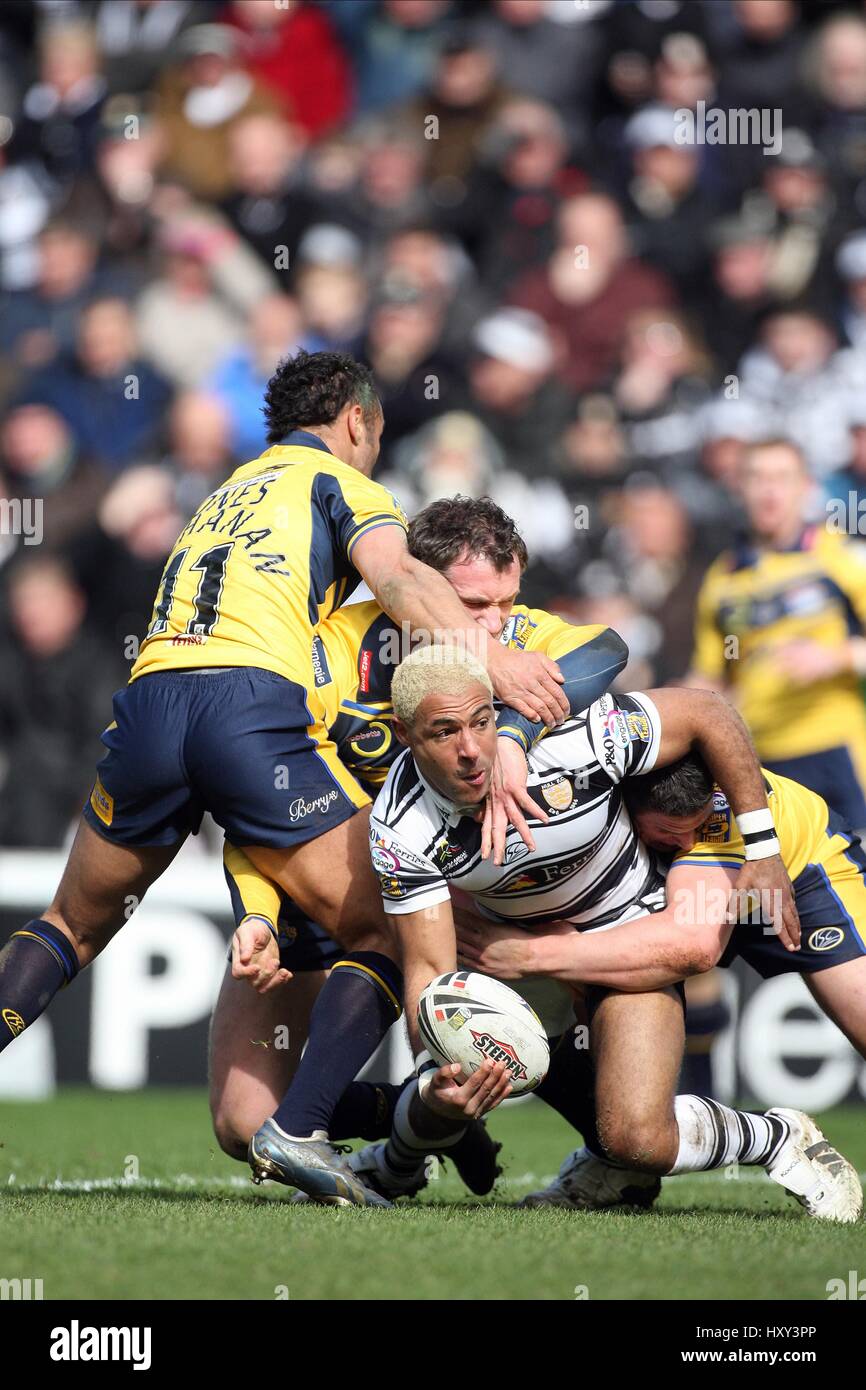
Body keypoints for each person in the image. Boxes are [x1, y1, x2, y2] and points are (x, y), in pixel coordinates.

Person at [0, 351, 568, 1210]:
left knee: (71, 927)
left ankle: (391, 1121)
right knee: (386, 917)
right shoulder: (340, 483)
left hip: (151, 698)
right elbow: (402, 574)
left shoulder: (223, 493)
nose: (373, 451)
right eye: (374, 435)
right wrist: (493, 657)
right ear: (355, 422)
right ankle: (304, 1128)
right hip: (246, 701)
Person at [348, 646, 858, 1224]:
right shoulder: (398, 823)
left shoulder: (573, 742)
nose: (470, 749)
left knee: (638, 1138)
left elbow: (707, 712)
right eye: (443, 732)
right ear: (404, 735)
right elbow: (427, 970)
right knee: (446, 1083)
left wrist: (763, 848)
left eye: (482, 722)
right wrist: (430, 1063)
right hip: (521, 955)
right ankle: (395, 1166)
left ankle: (776, 1136)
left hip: (625, 938)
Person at [211, 495, 627, 1182]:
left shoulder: (514, 641)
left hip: (447, 898)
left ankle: (622, 1144)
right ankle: (416, 1115)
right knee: (238, 1124)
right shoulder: (330, 656)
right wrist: (256, 910)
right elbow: (258, 811)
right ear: (416, 591)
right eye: (473, 607)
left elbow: (605, 649)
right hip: (325, 888)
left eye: (508, 601)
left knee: (619, 1123)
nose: (497, 625)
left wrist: (519, 731)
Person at [459, 753, 866, 1220]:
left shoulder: (708, 828)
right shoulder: (595, 787)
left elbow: (692, 949)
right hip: (673, 903)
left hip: (801, 877)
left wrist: (533, 955)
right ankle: (619, 1162)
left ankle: (787, 1139)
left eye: (692, 828)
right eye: (671, 834)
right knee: (555, 1009)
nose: (687, 841)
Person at [689, 436, 866, 830]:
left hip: (837, 749)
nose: (770, 491)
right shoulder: (723, 578)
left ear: (805, 487)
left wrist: (836, 656)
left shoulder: (840, 554)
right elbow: (711, 677)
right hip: (757, 763)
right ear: (740, 486)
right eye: (758, 478)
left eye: (783, 478)